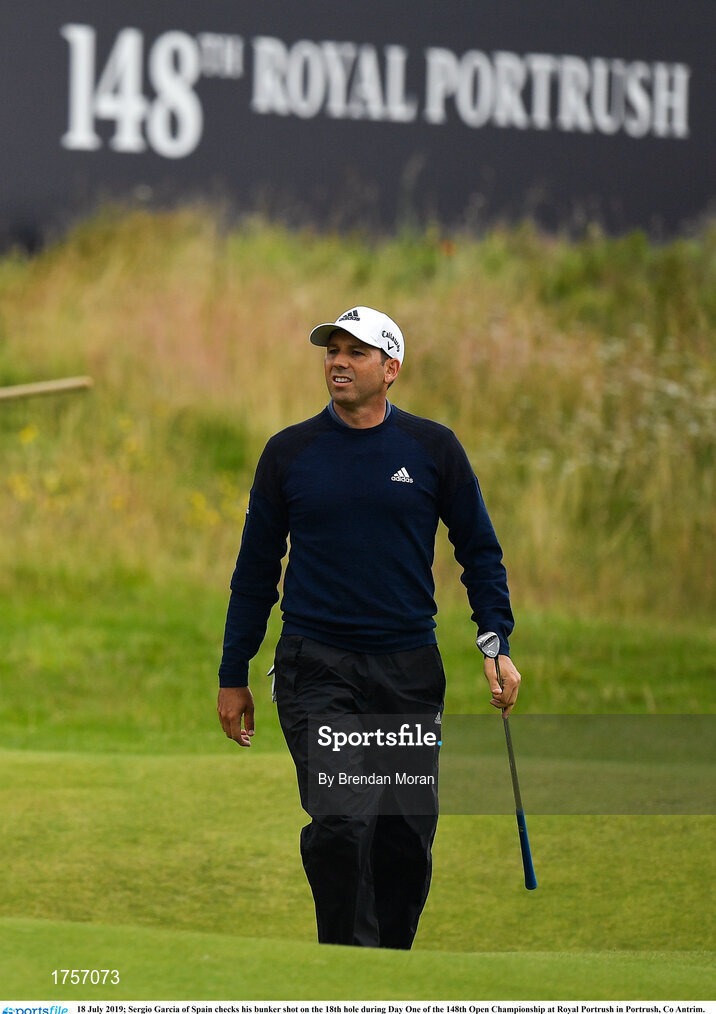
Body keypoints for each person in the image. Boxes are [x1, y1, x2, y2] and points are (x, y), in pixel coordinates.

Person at [217, 305, 521, 949]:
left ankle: (389, 969)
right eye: (331, 350)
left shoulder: (433, 448)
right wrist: (233, 672)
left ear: (391, 369)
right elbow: (254, 572)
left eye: (355, 352)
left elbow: (480, 550)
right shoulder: (289, 453)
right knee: (341, 820)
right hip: (315, 668)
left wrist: (494, 639)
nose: (337, 362)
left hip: (407, 671)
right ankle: (349, 971)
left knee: (404, 837)